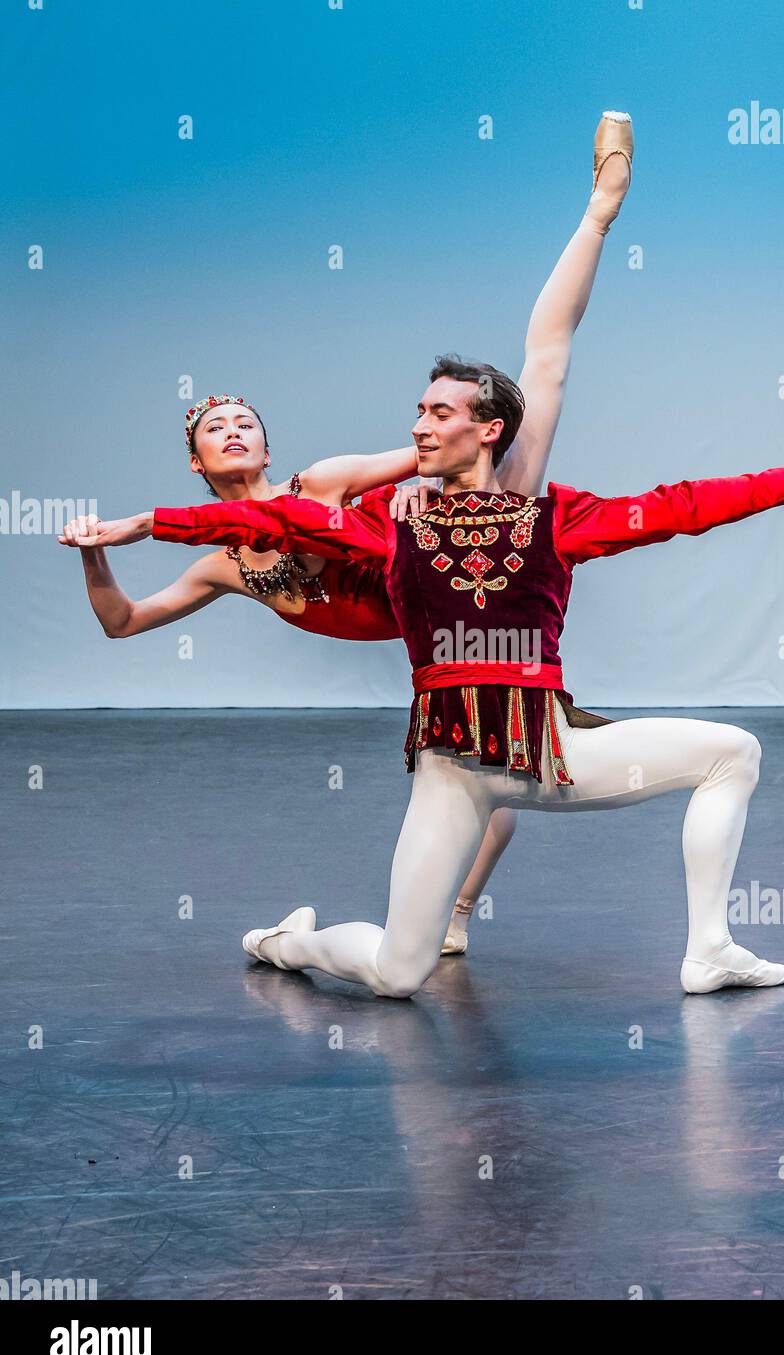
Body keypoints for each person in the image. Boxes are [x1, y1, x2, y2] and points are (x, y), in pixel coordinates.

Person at [67, 354, 784, 997]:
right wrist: (141, 528)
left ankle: (707, 949)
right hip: (453, 756)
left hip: (537, 745)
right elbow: (256, 523)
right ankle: (285, 942)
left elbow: (672, 506)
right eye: (218, 428)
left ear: (485, 432)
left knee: (730, 750)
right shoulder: (381, 529)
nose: (420, 430)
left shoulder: (521, 514)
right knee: (397, 974)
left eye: (439, 416)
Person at [61, 111, 636, 957]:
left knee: (540, 372)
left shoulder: (321, 483)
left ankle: (600, 209)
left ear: (266, 442)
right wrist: (98, 552)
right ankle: (372, 931)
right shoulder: (221, 561)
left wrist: (424, 491)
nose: (232, 430)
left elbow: (439, 445)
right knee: (481, 775)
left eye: (244, 420)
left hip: (447, 559)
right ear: (194, 462)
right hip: (435, 633)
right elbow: (121, 624)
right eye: (214, 427)